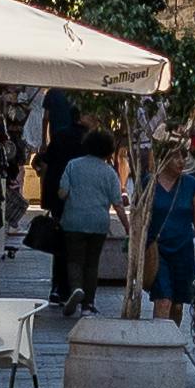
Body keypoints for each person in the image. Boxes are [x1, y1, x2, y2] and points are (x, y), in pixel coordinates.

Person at [50, 128, 120, 311]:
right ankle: (88, 304)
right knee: (92, 263)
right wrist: (128, 227)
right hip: (99, 223)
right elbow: (118, 203)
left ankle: (76, 288)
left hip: (73, 220)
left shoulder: (73, 165)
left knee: (74, 259)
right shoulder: (109, 172)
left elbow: (62, 193)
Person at [144, 145, 195, 321]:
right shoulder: (149, 183)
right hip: (157, 250)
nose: (181, 161)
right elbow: (140, 216)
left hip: (183, 250)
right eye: (175, 157)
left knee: (177, 305)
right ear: (164, 159)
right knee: (163, 300)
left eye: (183, 157)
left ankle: (171, 336)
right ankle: (160, 338)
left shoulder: (191, 184)